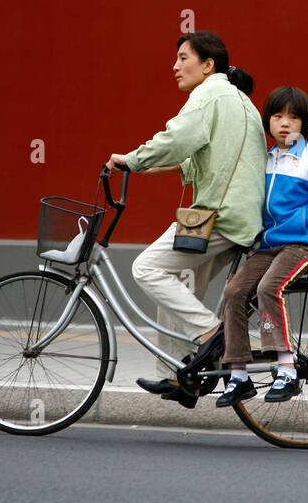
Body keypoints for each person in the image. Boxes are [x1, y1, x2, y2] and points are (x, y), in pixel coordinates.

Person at [107, 31, 265, 408]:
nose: (174, 66)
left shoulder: (208, 94)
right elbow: (205, 155)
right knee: (178, 280)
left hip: (219, 217)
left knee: (146, 268)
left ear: (208, 64)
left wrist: (132, 159)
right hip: (242, 217)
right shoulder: (239, 100)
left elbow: (178, 137)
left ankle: (213, 334)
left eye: (183, 58)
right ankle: (183, 376)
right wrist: (152, 167)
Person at [216, 86, 308, 407]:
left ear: (305, 123)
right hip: (268, 246)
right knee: (233, 292)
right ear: (268, 122)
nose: (285, 123)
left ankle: (286, 369)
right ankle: (238, 374)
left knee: (268, 288)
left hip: (303, 245)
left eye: (293, 117)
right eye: (277, 116)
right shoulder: (264, 161)